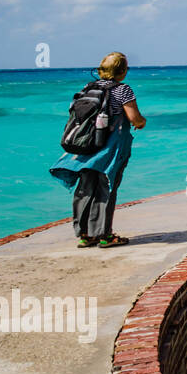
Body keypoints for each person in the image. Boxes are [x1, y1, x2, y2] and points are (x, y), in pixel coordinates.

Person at [50, 52, 146, 248]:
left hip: (84, 147)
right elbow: (135, 118)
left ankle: (85, 235)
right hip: (109, 149)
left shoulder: (87, 88)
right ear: (121, 71)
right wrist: (142, 123)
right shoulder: (123, 90)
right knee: (106, 188)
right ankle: (104, 235)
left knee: (84, 188)